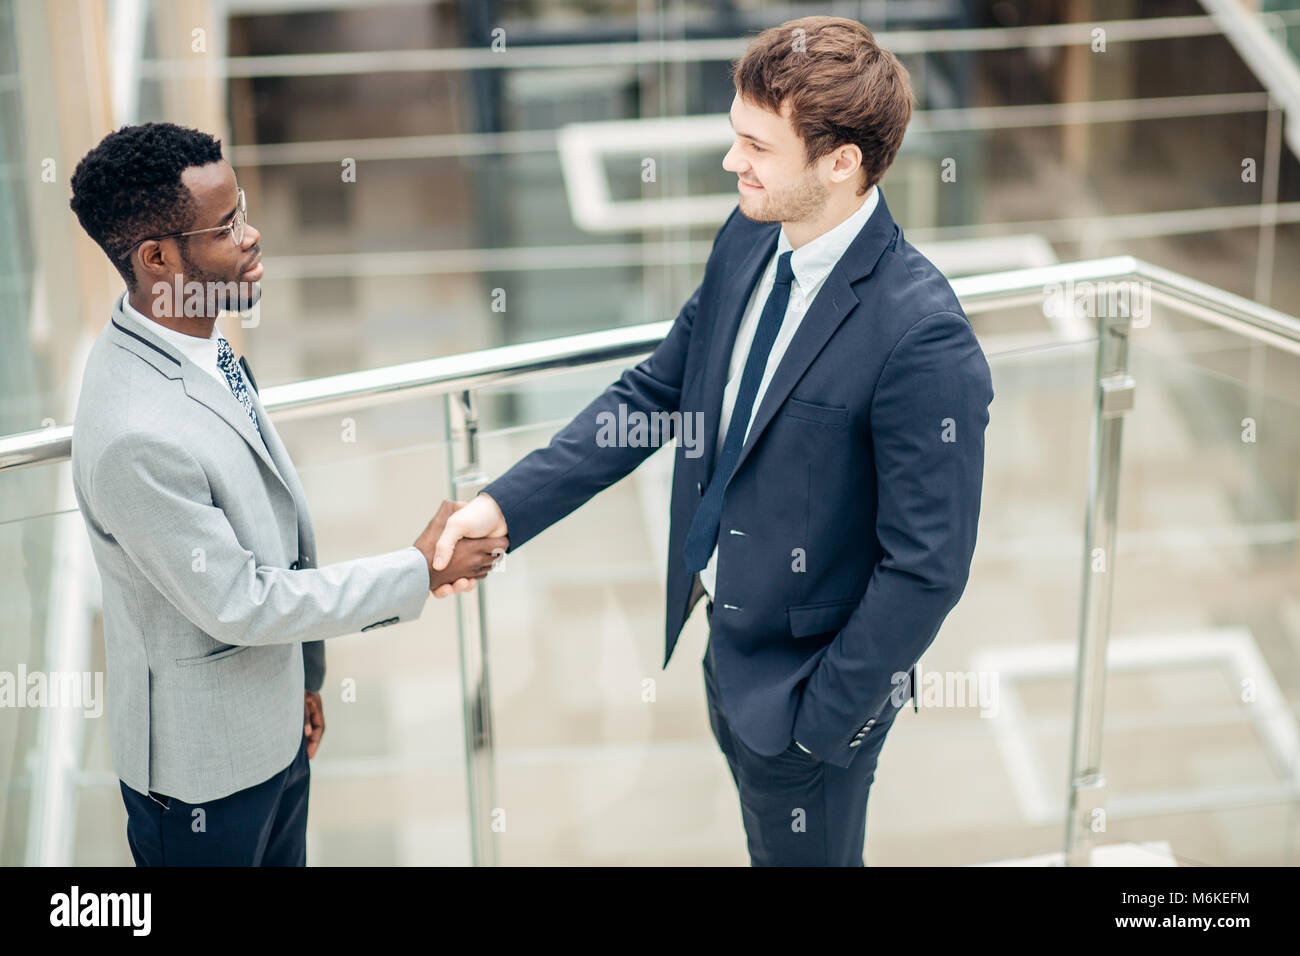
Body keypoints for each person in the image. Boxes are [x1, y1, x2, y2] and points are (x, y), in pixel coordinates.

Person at [433, 17, 994, 866]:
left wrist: (819, 724)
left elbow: (926, 567)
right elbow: (658, 395)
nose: (733, 163)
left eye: (757, 147)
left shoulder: (922, 338)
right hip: (726, 648)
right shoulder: (749, 238)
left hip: (810, 705)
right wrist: (503, 507)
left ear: (841, 163)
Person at [67, 122, 506, 866]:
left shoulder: (201, 338)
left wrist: (302, 678)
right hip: (201, 788)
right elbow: (241, 603)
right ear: (156, 259)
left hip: (273, 735)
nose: (251, 235)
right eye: (226, 225)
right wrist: (420, 569)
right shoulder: (133, 434)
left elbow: (273, 529)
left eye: (243, 211)